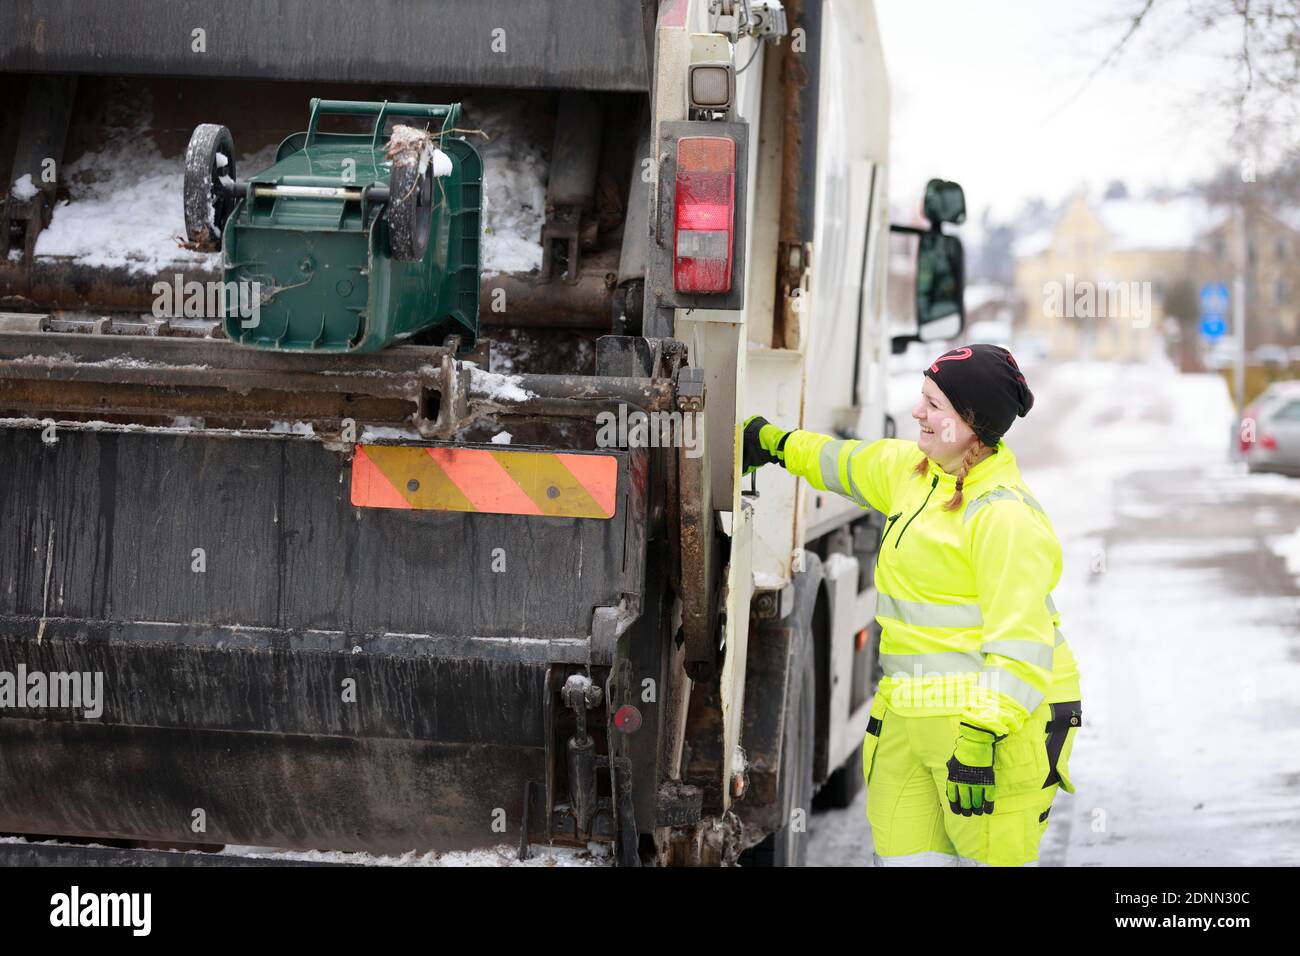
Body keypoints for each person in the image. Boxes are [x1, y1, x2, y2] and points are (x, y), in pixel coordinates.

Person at [742, 344, 1082, 866]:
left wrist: (980, 735)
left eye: (934, 403)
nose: (918, 412)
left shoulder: (1003, 517)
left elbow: (1023, 643)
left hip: (988, 739)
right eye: (921, 397)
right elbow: (838, 461)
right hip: (908, 721)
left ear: (971, 422)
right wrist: (771, 440)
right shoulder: (912, 473)